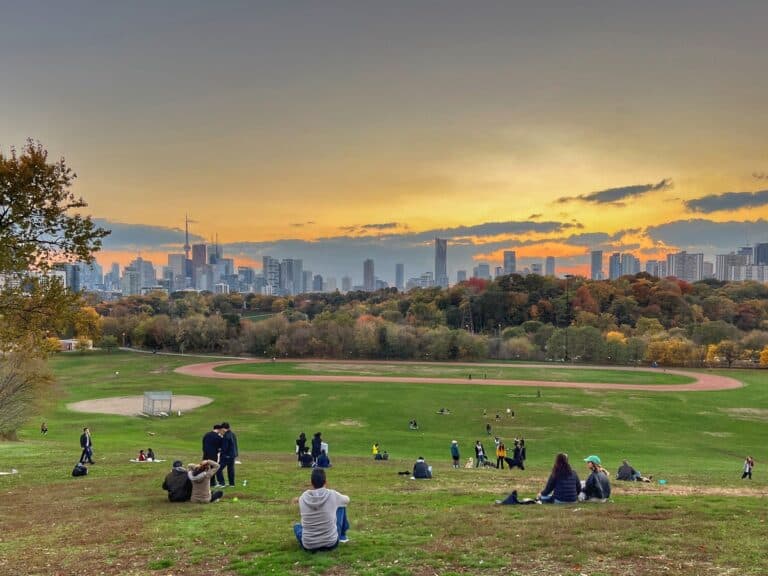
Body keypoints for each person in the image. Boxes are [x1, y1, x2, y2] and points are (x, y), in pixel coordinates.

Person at [294, 468, 350, 551]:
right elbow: (347, 500)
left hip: (309, 545)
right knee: (341, 505)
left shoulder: (303, 498)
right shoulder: (332, 495)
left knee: (297, 526)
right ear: (326, 482)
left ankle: (313, 538)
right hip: (331, 543)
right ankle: (342, 536)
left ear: (311, 483)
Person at [220, 421, 239, 487]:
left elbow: (225, 447)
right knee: (231, 469)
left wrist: (222, 454)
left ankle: (222, 483)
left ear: (223, 428)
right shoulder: (232, 434)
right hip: (233, 455)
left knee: (219, 469)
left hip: (227, 455)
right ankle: (232, 484)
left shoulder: (226, 435)